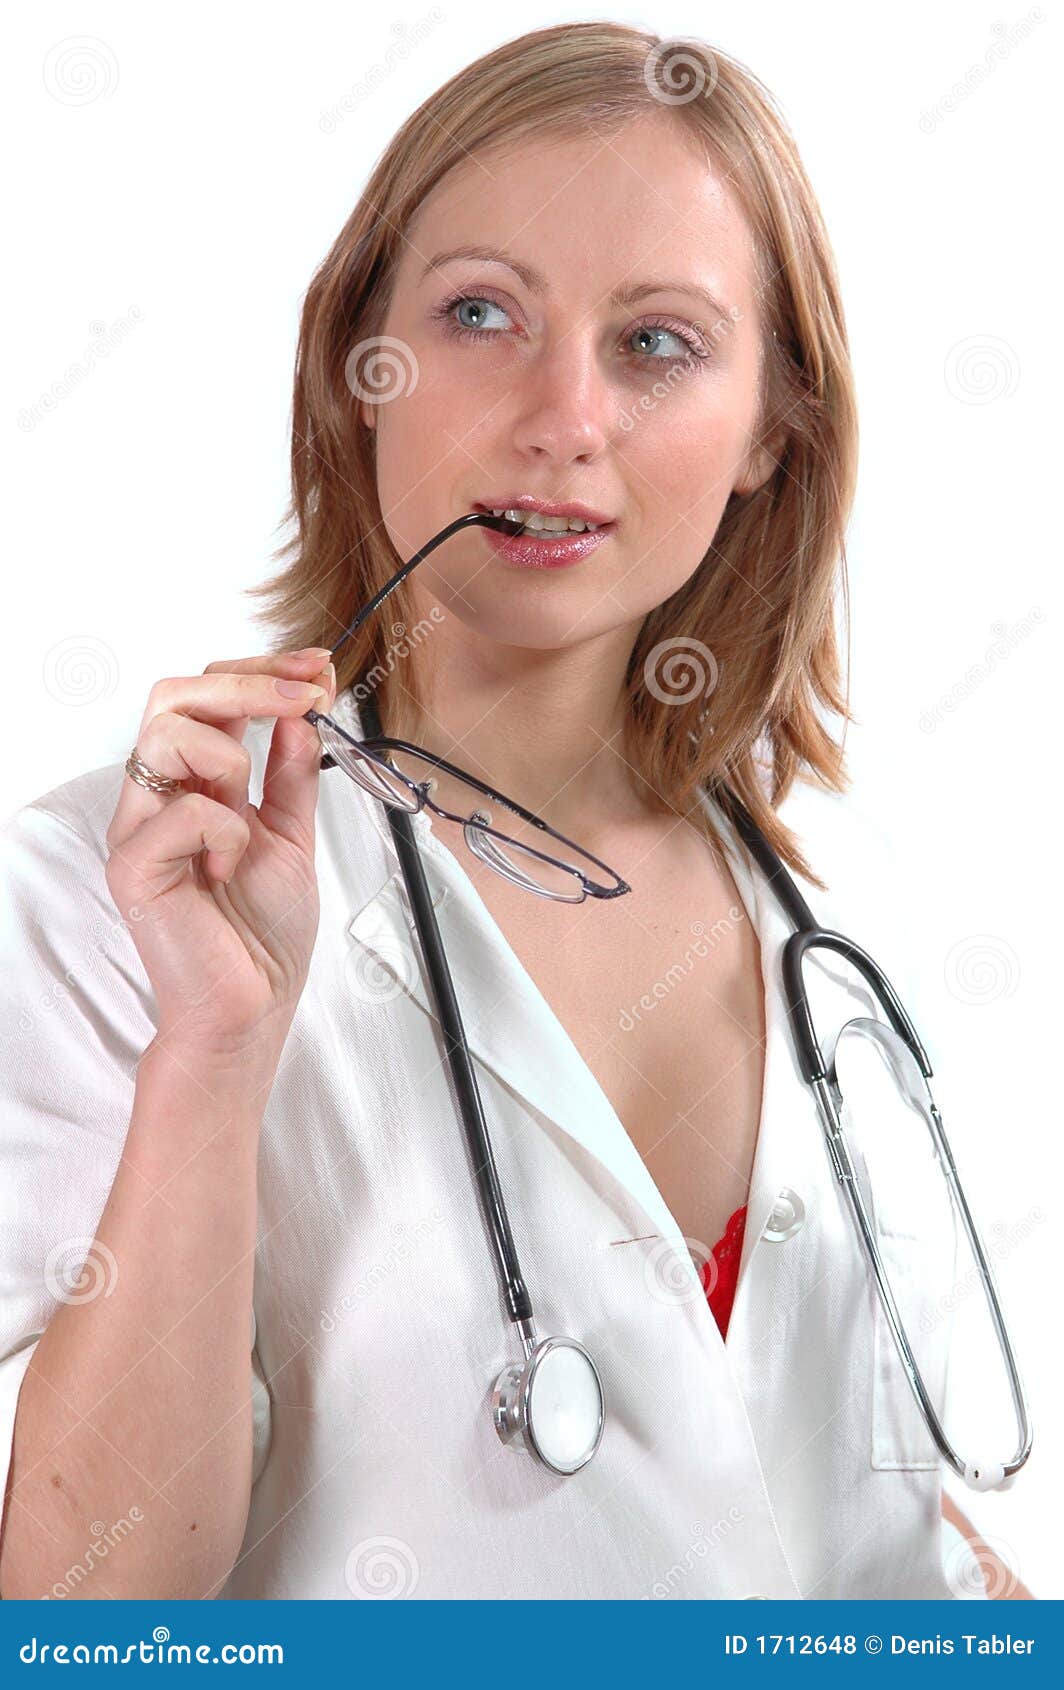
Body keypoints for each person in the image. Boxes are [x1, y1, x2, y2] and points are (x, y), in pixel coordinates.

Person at [0, 22, 1030, 1601]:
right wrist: (211, 1055)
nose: (563, 416)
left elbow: (805, 1511)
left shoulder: (837, 907)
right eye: (481, 313)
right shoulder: (124, 890)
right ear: (361, 369)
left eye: (658, 343)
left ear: (774, 428)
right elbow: (85, 1619)